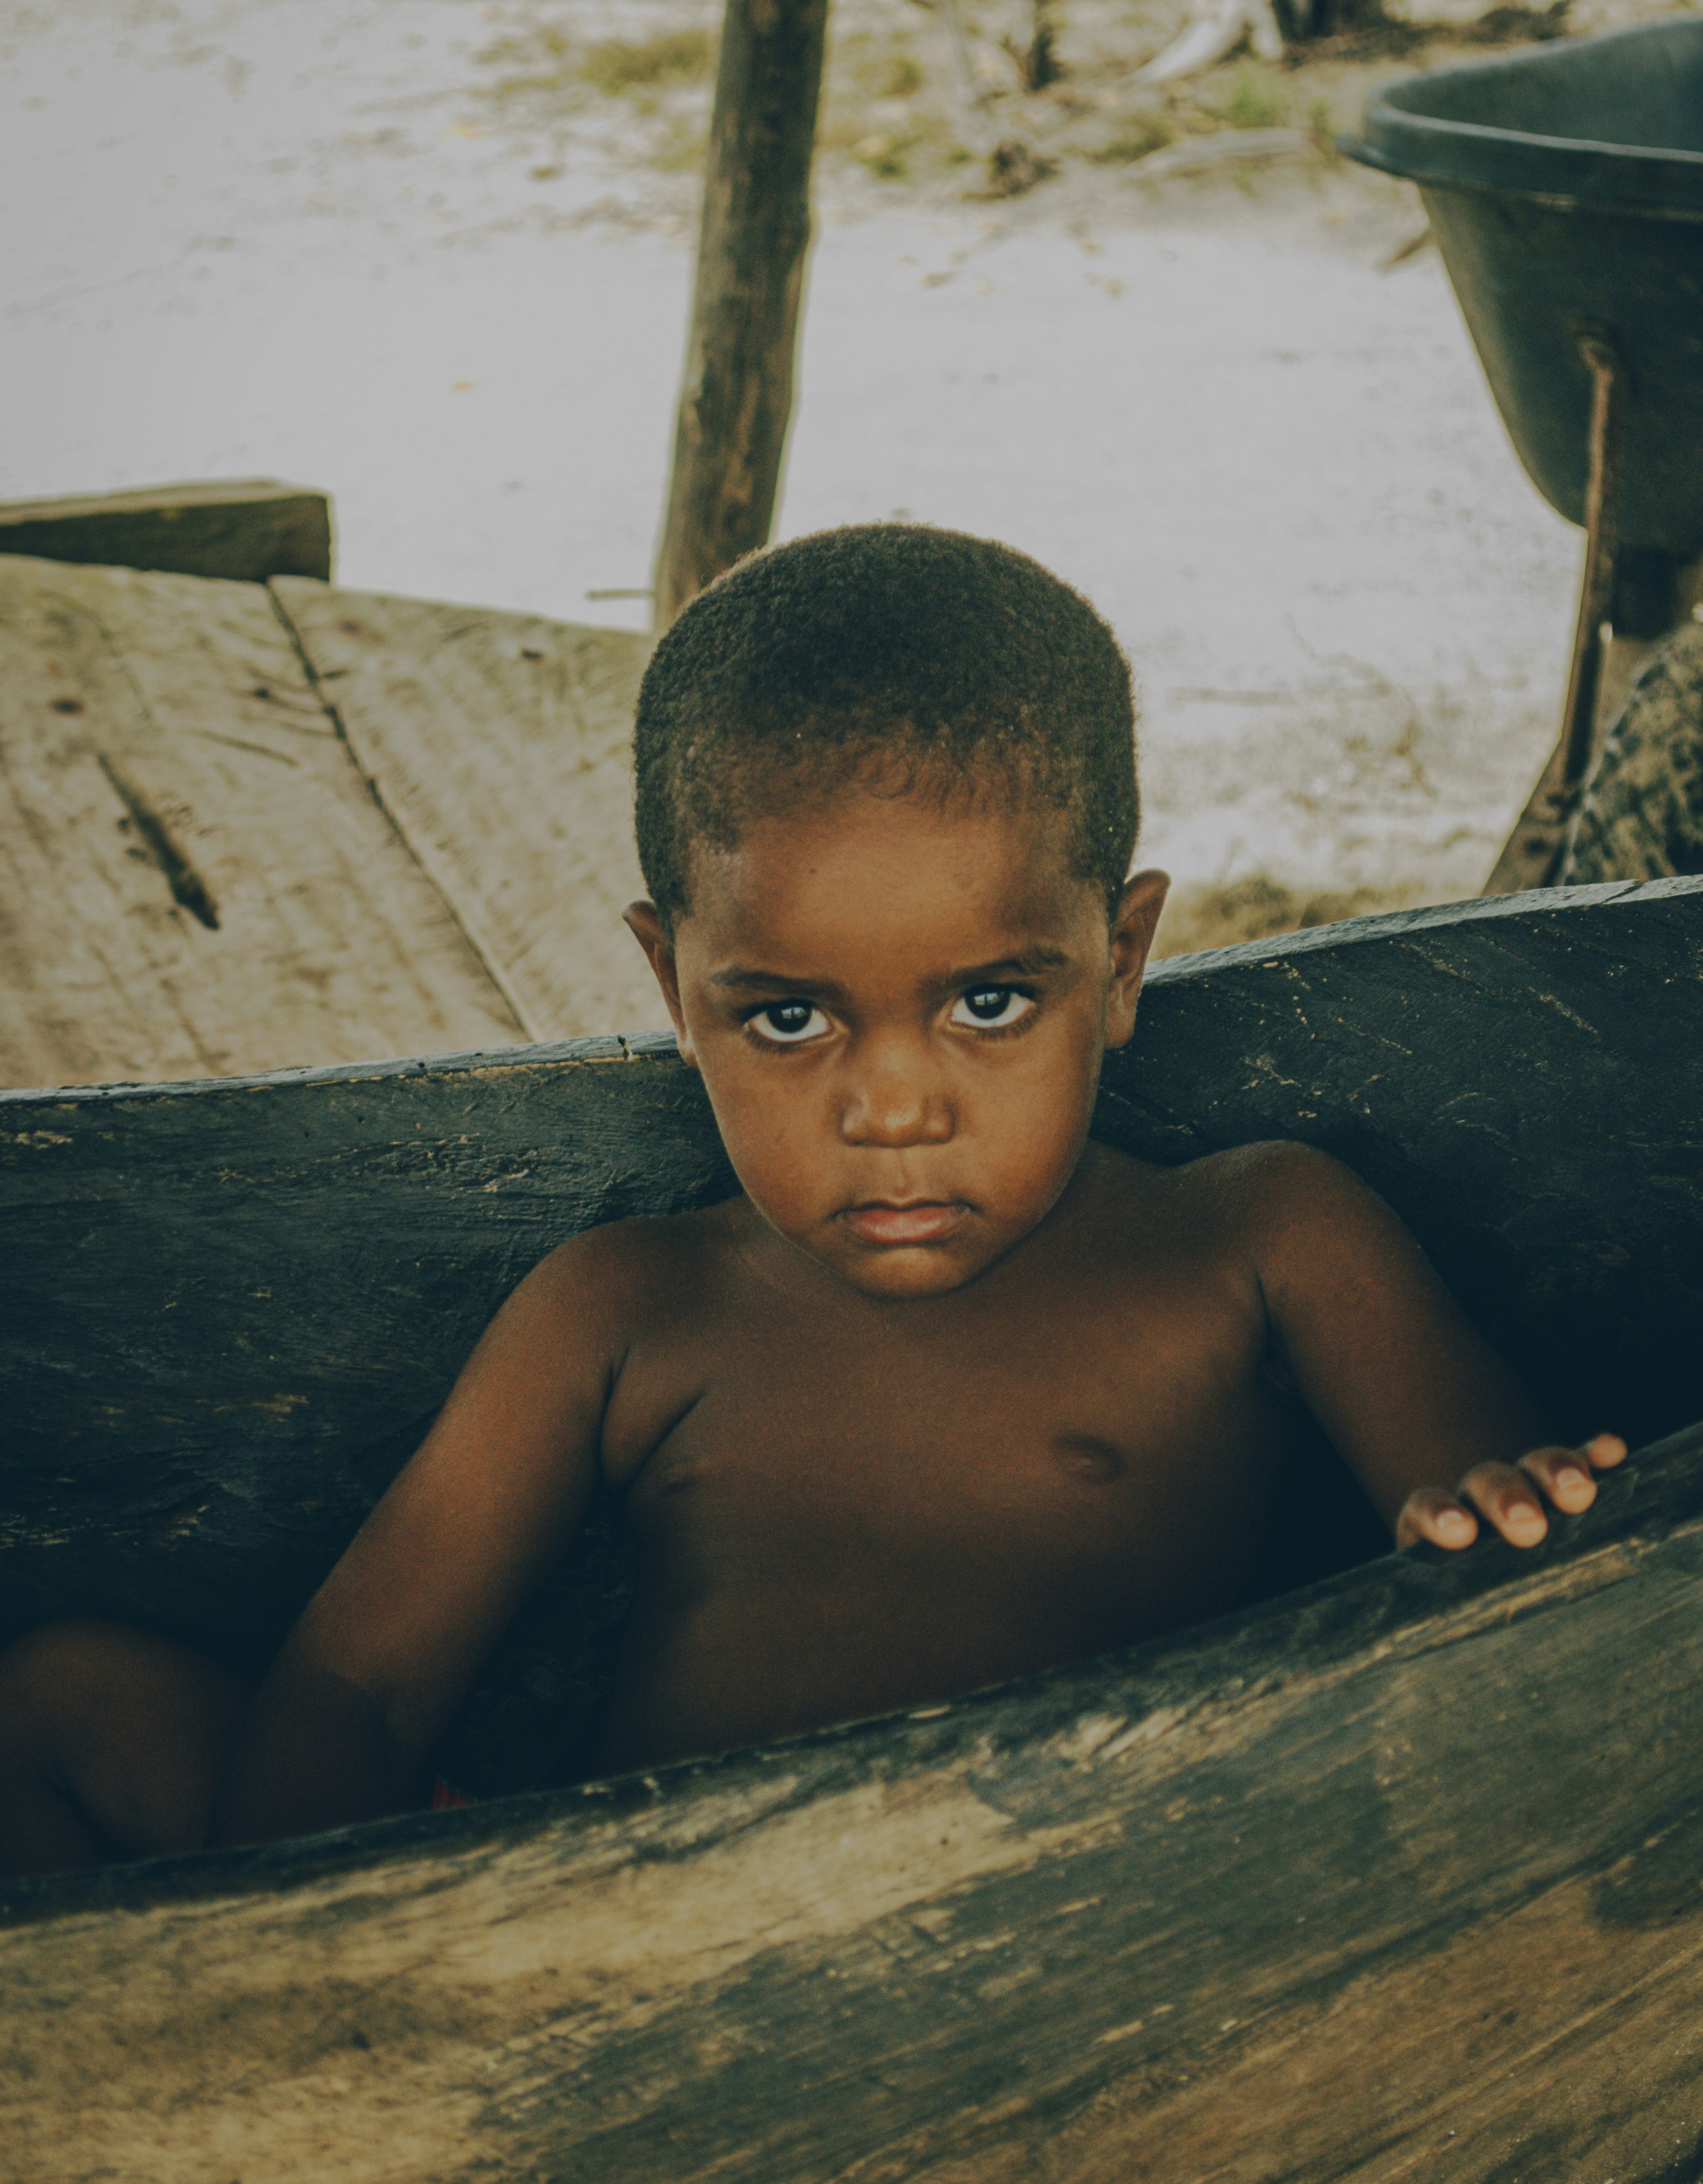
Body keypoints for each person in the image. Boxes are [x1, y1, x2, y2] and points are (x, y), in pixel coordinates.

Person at [0, 523, 1624, 1876]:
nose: (894, 1105)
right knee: (66, 1702)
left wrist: (1492, 1503)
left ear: (1120, 962)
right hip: (583, 1936)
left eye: (993, 1000)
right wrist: (345, 1973)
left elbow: (1484, 1500)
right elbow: (357, 1680)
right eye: (788, 1016)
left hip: (1067, 1949)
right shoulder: (631, 1307)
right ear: (672, 982)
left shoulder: (1258, 1238)